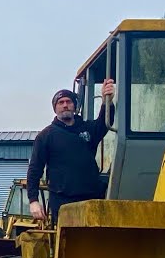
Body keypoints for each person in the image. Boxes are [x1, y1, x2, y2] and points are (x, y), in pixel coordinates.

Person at [27, 80, 115, 225]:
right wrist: (33, 201)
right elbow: (34, 170)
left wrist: (107, 101)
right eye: (60, 102)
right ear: (55, 108)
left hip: (92, 198)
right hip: (63, 201)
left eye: (68, 101)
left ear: (74, 106)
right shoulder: (46, 136)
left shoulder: (88, 129)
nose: (65, 105)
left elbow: (104, 123)